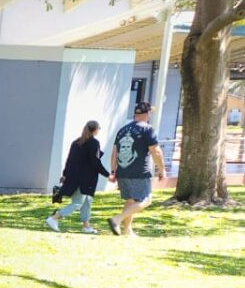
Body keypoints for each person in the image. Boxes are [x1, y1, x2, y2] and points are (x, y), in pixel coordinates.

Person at [107, 100, 166, 237]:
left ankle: (127, 230)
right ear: (148, 114)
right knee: (146, 200)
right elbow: (155, 151)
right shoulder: (147, 129)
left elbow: (114, 152)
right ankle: (116, 219)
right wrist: (161, 169)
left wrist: (113, 171)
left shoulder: (122, 130)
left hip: (122, 171)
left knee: (131, 200)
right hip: (139, 172)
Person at [47, 120, 107, 233]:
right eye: (99, 128)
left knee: (87, 200)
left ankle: (86, 226)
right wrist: (108, 175)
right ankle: (54, 218)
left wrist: (64, 174)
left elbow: (69, 160)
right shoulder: (93, 143)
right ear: (95, 130)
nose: (99, 130)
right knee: (78, 202)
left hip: (74, 177)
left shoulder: (76, 142)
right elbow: (95, 163)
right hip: (84, 179)